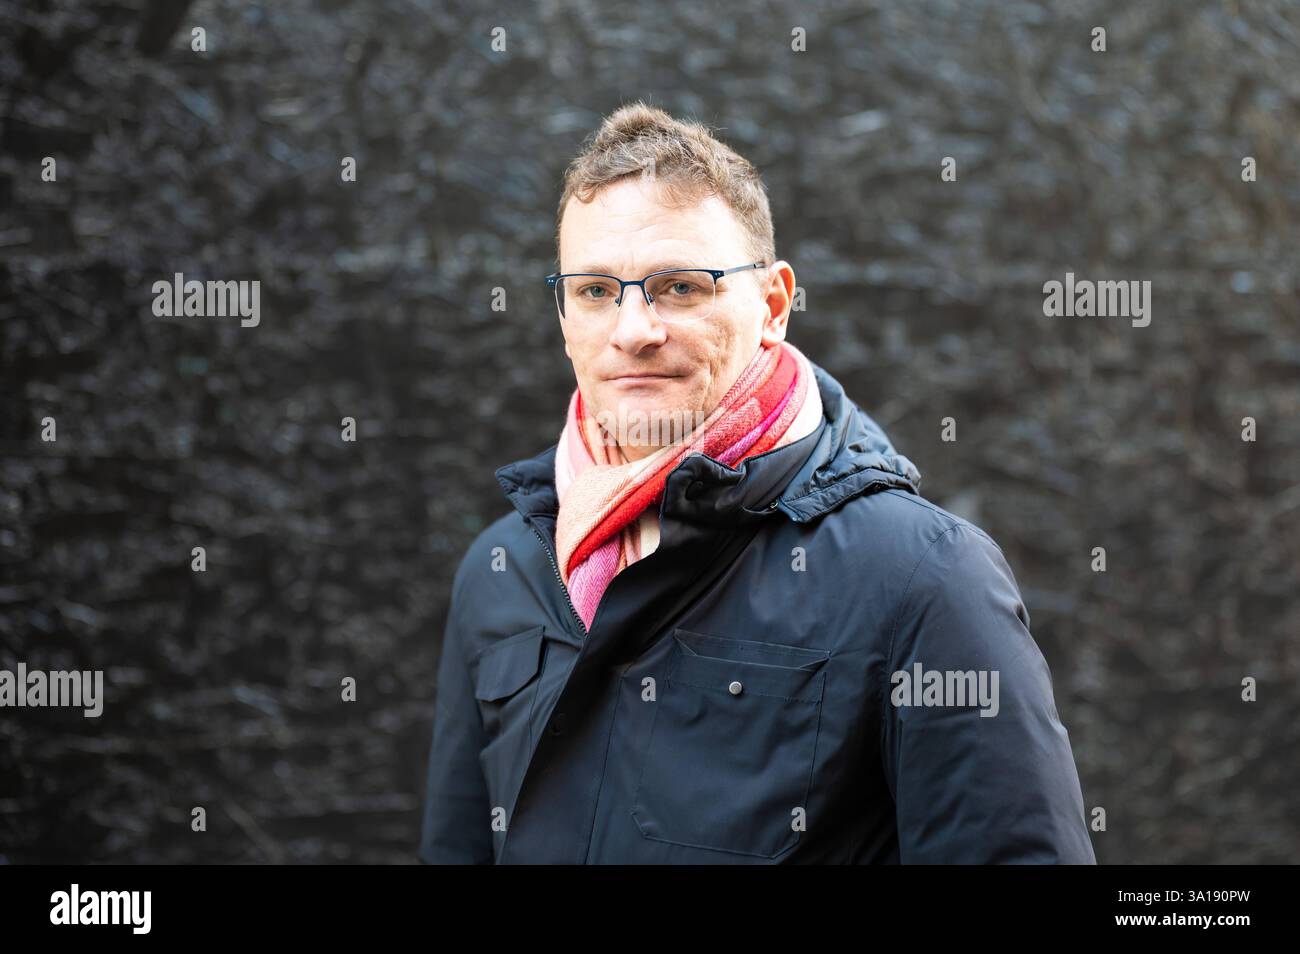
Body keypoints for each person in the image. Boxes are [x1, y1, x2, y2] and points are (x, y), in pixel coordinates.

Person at [418, 101, 1095, 864]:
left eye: (679, 287)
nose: (633, 330)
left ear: (773, 305)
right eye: (596, 291)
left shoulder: (925, 580)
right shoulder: (501, 569)